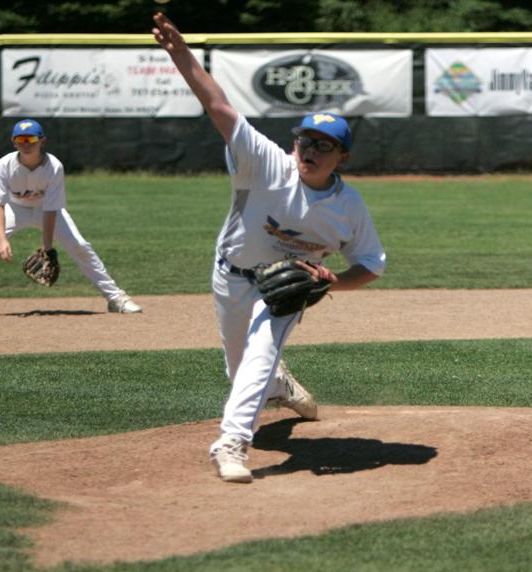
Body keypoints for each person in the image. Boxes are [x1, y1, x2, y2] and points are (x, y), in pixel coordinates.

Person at [152, 11, 385, 484]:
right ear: (294, 142)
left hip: (282, 292)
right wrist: (180, 53)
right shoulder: (265, 163)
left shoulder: (348, 206)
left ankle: (232, 442)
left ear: (343, 157)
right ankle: (280, 385)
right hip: (231, 276)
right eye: (306, 140)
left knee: (259, 353)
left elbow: (371, 264)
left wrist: (335, 280)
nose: (311, 150)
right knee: (242, 368)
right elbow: (219, 107)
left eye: (324, 145)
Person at [0, 119, 142, 318]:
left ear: (42, 141)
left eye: (31, 139)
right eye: (21, 139)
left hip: (46, 209)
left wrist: (48, 248)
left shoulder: (54, 167)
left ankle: (116, 298)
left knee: (80, 245)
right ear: (13, 142)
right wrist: (2, 239)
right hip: (13, 209)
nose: (26, 143)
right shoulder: (4, 164)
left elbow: (50, 210)